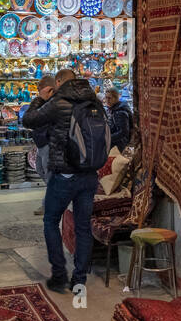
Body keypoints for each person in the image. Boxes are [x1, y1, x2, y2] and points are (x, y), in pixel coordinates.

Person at [22, 68, 108, 294]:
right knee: (83, 227)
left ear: (58, 82)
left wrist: (40, 98)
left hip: (65, 174)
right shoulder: (94, 101)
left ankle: (59, 275)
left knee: (51, 220)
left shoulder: (59, 101)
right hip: (90, 175)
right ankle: (79, 279)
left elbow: (28, 120)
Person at [29, 74, 56, 216]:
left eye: (40, 88)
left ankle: (48, 205)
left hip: (47, 143)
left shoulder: (54, 104)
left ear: (48, 89)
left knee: (49, 174)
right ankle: (56, 194)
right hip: (41, 143)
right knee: (40, 170)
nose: (38, 91)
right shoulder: (44, 103)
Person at [105, 87, 132, 151]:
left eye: (109, 98)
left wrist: (108, 138)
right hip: (116, 142)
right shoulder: (114, 109)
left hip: (118, 145)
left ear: (116, 98)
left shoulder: (120, 112)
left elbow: (123, 132)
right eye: (106, 97)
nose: (107, 100)